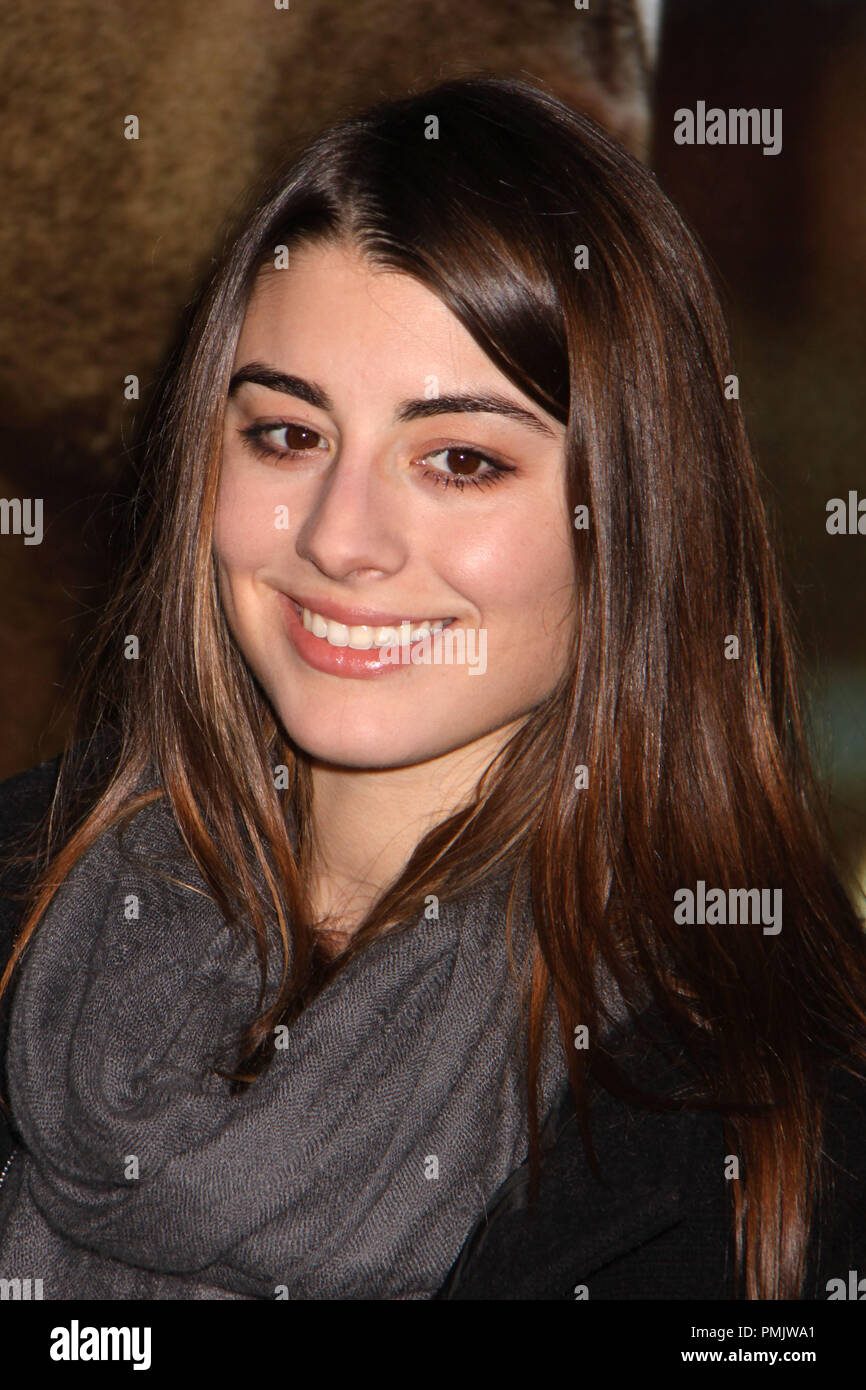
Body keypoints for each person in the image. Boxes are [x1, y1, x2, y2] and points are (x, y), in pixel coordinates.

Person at [0, 74, 864, 1301]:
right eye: (287, 435)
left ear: (630, 517)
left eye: (459, 459)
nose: (343, 539)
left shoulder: (762, 1121)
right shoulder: (24, 896)